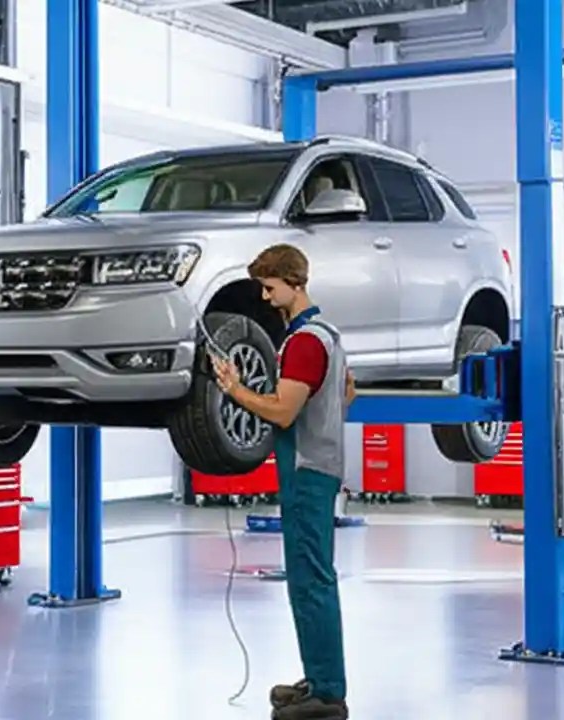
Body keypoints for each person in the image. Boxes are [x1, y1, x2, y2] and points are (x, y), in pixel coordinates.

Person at [211, 243, 356, 720]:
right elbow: (347, 393)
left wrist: (234, 390)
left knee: (311, 582)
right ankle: (318, 677)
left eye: (270, 288)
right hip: (322, 466)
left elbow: (283, 409)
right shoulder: (329, 336)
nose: (266, 298)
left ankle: (328, 694)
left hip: (307, 473)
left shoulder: (304, 343)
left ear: (295, 283)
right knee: (311, 578)